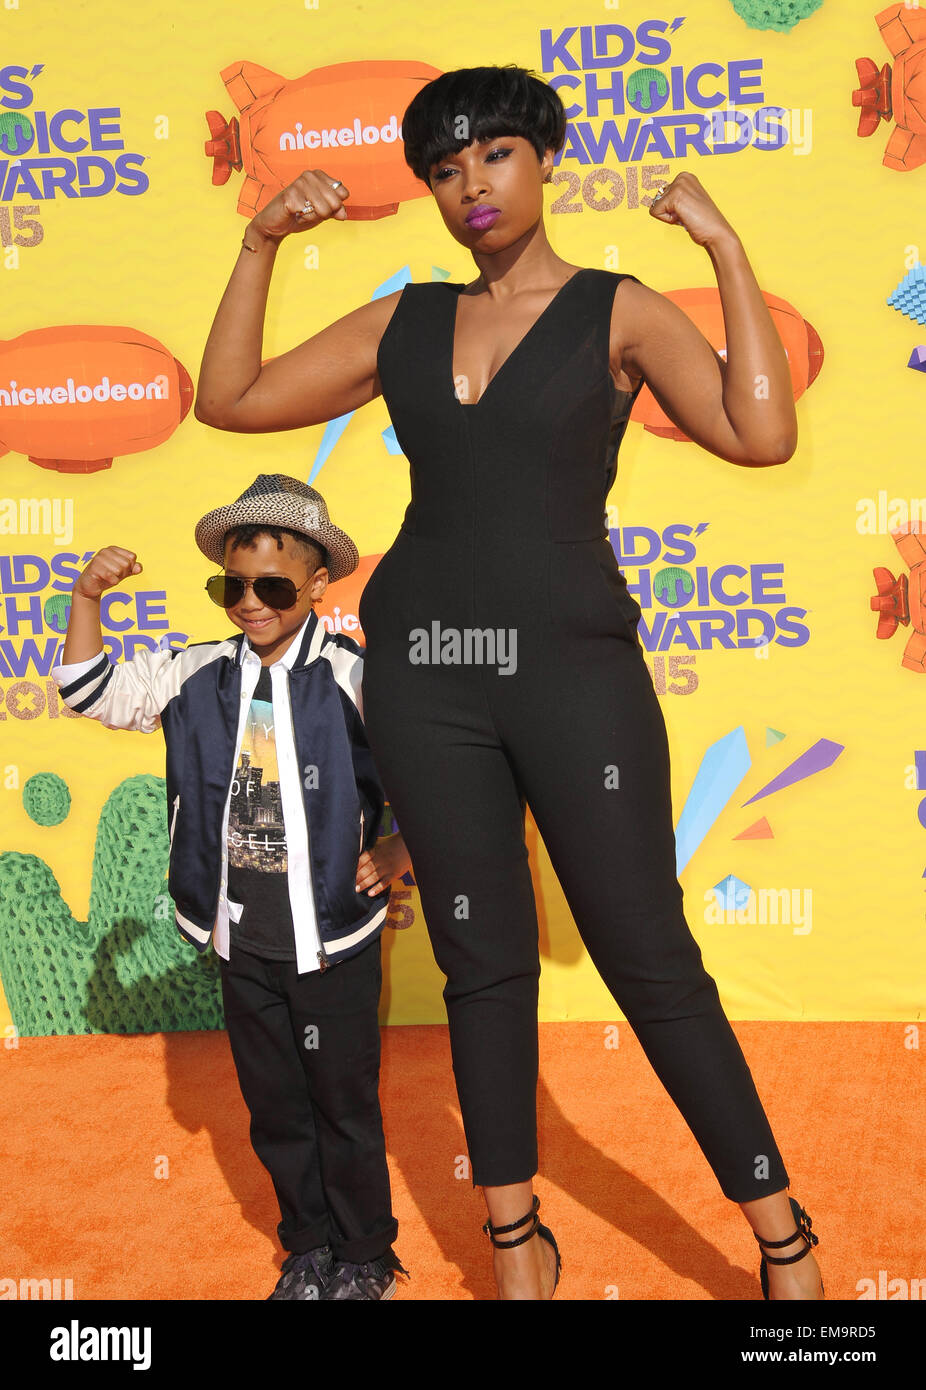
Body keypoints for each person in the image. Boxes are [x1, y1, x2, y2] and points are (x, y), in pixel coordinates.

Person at [193, 65, 824, 1302]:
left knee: (647, 955)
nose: (468, 186)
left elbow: (762, 432)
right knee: (482, 961)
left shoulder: (619, 310)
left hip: (572, 670)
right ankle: (513, 1239)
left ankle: (778, 1230)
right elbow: (230, 399)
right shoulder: (405, 322)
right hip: (426, 671)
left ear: (543, 160)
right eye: (442, 168)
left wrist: (728, 252)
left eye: (491, 157)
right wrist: (260, 235)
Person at [50, 473, 412, 1301]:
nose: (251, 603)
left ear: (319, 587)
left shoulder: (360, 678)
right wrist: (84, 596)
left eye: (274, 587)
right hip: (239, 937)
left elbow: (445, 777)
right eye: (233, 586)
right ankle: (309, 1247)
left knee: (343, 1107)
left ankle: (365, 1258)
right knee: (276, 1104)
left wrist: (400, 851)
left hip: (332, 937)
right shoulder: (195, 673)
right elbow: (86, 689)